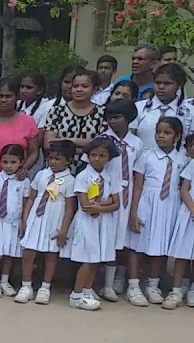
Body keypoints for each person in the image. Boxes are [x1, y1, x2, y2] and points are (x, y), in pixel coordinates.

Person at [126, 116, 185, 306]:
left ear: (176, 136)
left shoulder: (183, 160)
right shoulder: (146, 156)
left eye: (167, 133)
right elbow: (137, 186)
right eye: (158, 132)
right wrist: (133, 212)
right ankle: (133, 285)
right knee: (138, 244)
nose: (161, 136)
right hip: (147, 203)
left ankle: (153, 284)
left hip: (170, 206)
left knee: (161, 247)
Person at [15, 140, 77, 304]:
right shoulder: (42, 174)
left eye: (58, 159)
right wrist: (25, 220)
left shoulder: (70, 180)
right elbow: (31, 198)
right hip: (36, 218)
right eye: (51, 158)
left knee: (51, 255)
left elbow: (70, 207)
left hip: (54, 220)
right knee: (28, 253)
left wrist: (64, 229)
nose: (53, 162)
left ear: (69, 160)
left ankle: (45, 288)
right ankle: (26, 286)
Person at [68, 137, 121, 311]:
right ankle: (76, 295)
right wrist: (103, 204)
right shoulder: (83, 176)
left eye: (102, 155)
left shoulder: (110, 176)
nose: (97, 159)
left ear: (109, 158)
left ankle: (86, 290)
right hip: (87, 222)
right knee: (87, 260)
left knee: (96, 259)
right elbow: (85, 206)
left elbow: (116, 203)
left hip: (103, 222)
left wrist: (100, 205)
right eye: (93, 155)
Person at [97, 100, 142, 302]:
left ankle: (120, 282)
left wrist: (134, 207)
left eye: (117, 117)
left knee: (123, 240)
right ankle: (105, 285)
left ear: (128, 118)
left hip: (128, 194)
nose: (112, 121)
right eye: (109, 118)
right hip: (107, 194)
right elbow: (93, 171)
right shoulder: (102, 140)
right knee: (106, 238)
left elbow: (138, 175)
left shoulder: (137, 143)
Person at [0, 76, 40, 175]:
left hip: (16, 178)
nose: (3, 100)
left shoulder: (28, 121)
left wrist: (23, 169)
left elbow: (34, 152)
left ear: (16, 97)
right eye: (0, 96)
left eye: (8, 96)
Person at [0, 144, 29, 298]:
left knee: (9, 253)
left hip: (13, 222)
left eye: (13, 162)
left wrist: (23, 223)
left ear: (21, 162)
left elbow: (25, 204)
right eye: (5, 162)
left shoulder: (24, 182)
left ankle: (4, 280)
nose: (9, 166)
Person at [133, 63, 194, 153]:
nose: (161, 87)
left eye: (167, 83)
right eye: (158, 83)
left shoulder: (189, 111)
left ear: (179, 85)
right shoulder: (139, 108)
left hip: (177, 164)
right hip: (142, 163)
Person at [45, 68, 105, 155]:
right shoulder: (56, 111)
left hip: (91, 164)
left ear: (94, 89)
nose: (79, 90)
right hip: (60, 165)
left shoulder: (102, 113)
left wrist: (68, 141)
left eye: (84, 86)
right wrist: (85, 148)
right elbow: (49, 144)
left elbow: (102, 145)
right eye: (75, 86)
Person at [166, 147, 194, 308]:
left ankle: (192, 290)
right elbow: (184, 190)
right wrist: (192, 209)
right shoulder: (192, 164)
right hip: (189, 211)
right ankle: (176, 290)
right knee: (182, 252)